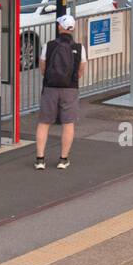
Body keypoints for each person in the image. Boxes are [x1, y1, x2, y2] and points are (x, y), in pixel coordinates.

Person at [35, 14, 87, 170]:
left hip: (50, 88)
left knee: (44, 123)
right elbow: (81, 70)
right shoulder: (79, 48)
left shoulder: (48, 45)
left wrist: (50, 78)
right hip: (70, 89)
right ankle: (63, 159)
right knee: (68, 123)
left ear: (60, 27)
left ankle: (40, 159)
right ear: (72, 29)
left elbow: (42, 68)